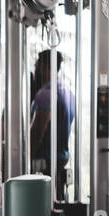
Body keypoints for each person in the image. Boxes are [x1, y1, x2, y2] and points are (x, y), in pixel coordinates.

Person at [28, 49, 75, 200]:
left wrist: (23, 160)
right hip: (60, 162)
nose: (34, 69)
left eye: (36, 65)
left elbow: (37, 132)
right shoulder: (68, 93)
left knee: (44, 215)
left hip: (45, 166)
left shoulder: (46, 93)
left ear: (44, 67)